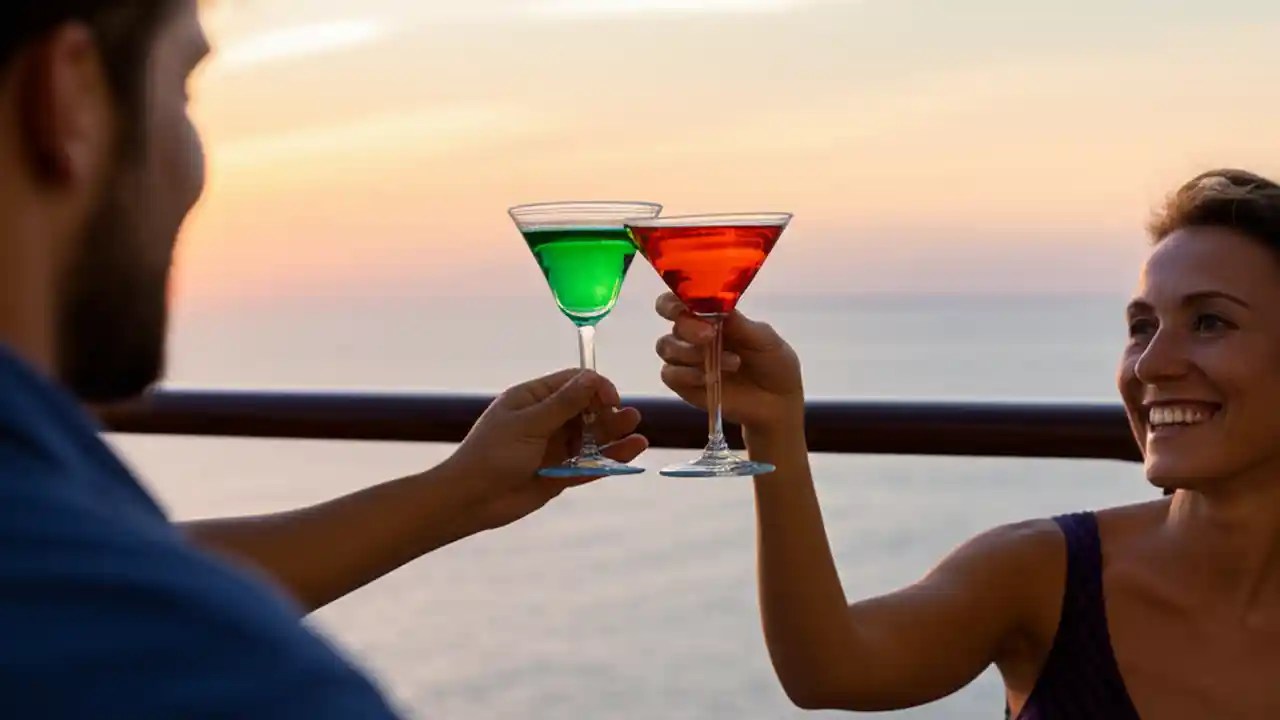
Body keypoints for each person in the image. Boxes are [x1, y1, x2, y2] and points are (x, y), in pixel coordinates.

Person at [0, 1, 646, 717]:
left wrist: (459, 491)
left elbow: (102, 592)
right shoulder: (238, 683)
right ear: (71, 97)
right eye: (182, 91)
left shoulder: (66, 565)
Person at [655, 168, 1280, 719]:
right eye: (1142, 327)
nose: (1150, 365)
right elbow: (830, 668)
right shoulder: (1045, 573)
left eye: (1209, 322)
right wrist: (772, 426)